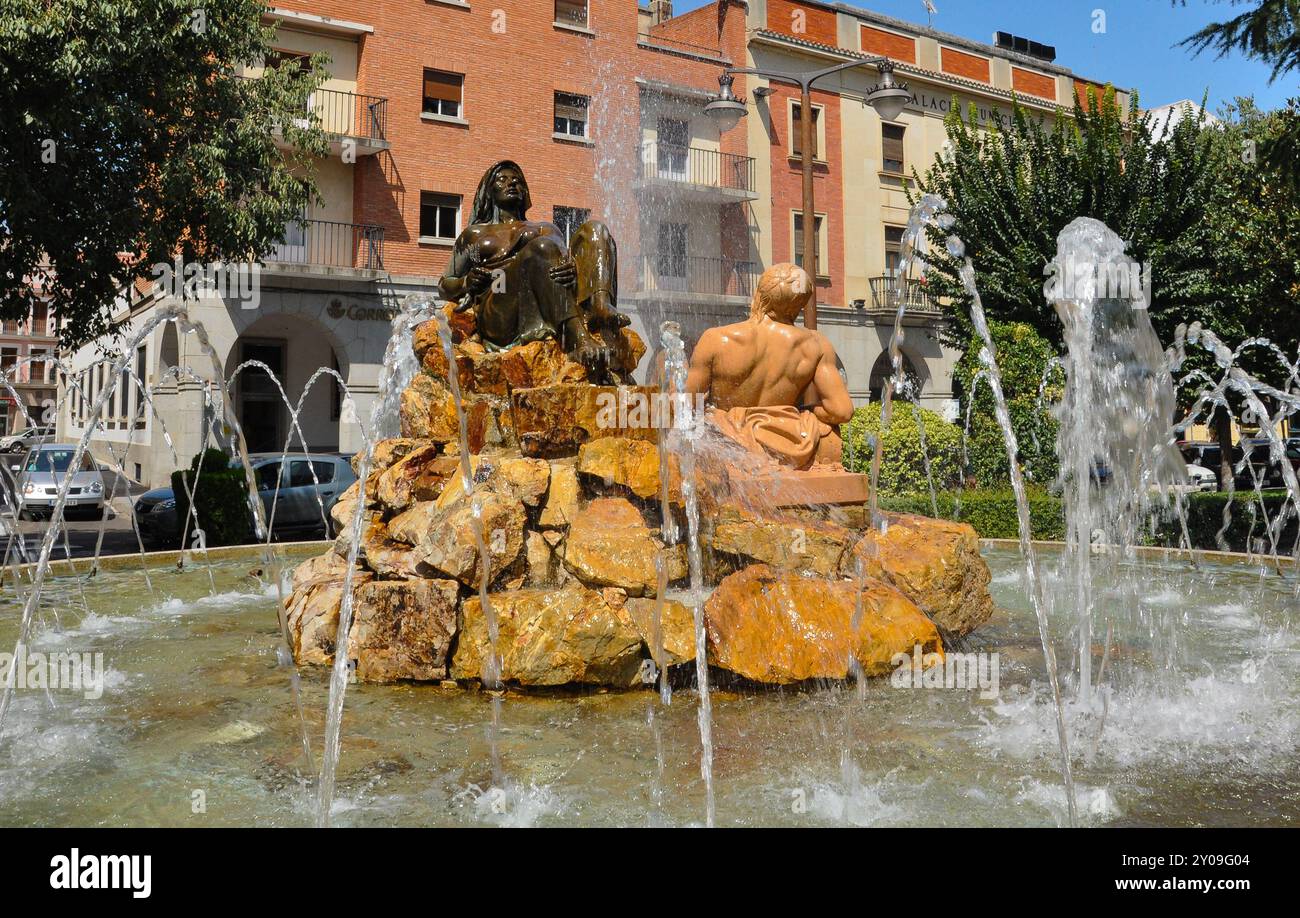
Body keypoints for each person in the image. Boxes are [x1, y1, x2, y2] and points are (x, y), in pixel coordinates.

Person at [437, 160, 631, 380]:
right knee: (540, 246)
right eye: (503, 180)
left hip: (544, 295)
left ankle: (600, 306)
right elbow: (444, 284)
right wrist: (465, 283)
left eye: (517, 181)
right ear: (489, 191)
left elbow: (562, 257)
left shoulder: (545, 227)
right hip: (500, 306)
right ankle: (576, 337)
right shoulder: (474, 234)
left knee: (596, 229)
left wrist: (572, 267)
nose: (511, 184)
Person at [685, 263, 854, 470]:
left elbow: (683, 405)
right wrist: (805, 412)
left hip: (729, 443)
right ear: (801, 303)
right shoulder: (816, 345)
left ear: (760, 294)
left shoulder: (716, 339)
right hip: (791, 440)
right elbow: (842, 411)